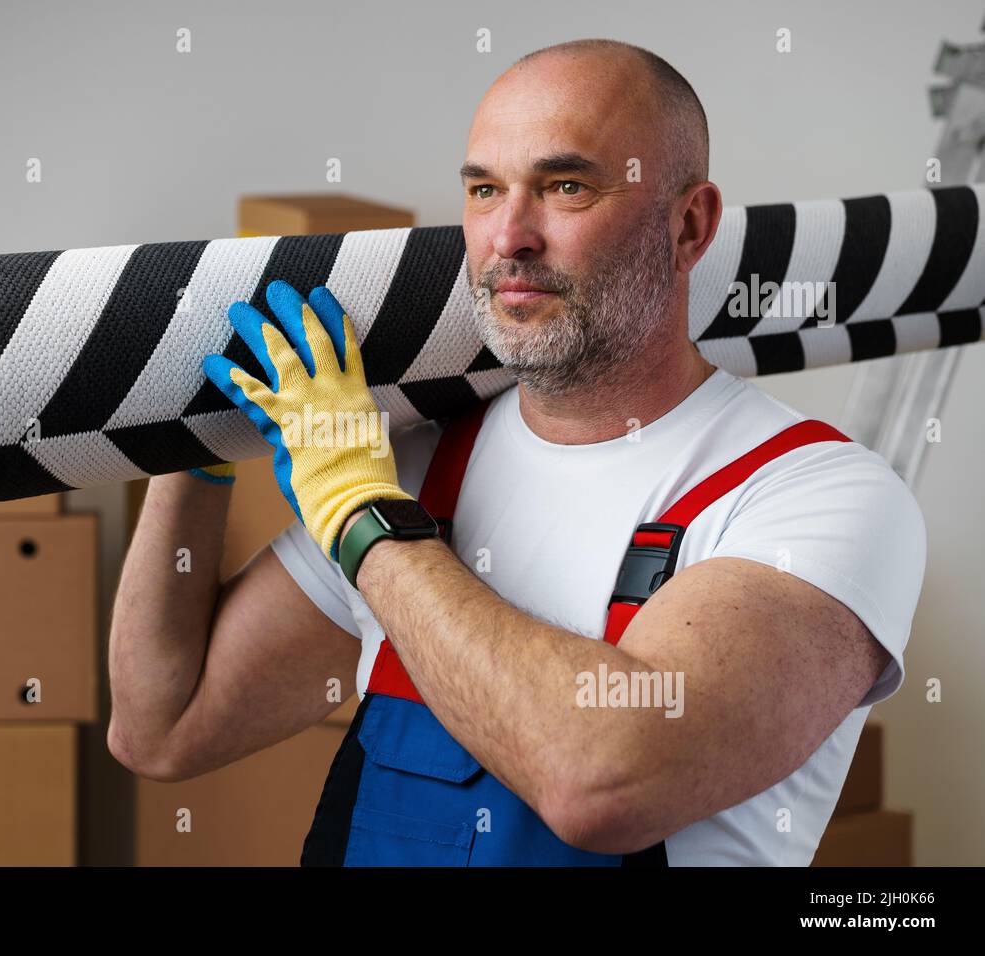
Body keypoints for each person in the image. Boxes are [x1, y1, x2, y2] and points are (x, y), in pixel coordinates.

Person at [107, 38, 926, 865]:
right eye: (485, 189)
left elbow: (603, 781)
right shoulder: (427, 467)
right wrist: (198, 446)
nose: (508, 237)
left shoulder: (813, 496)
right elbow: (163, 727)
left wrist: (361, 517)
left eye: (566, 186)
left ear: (689, 224)